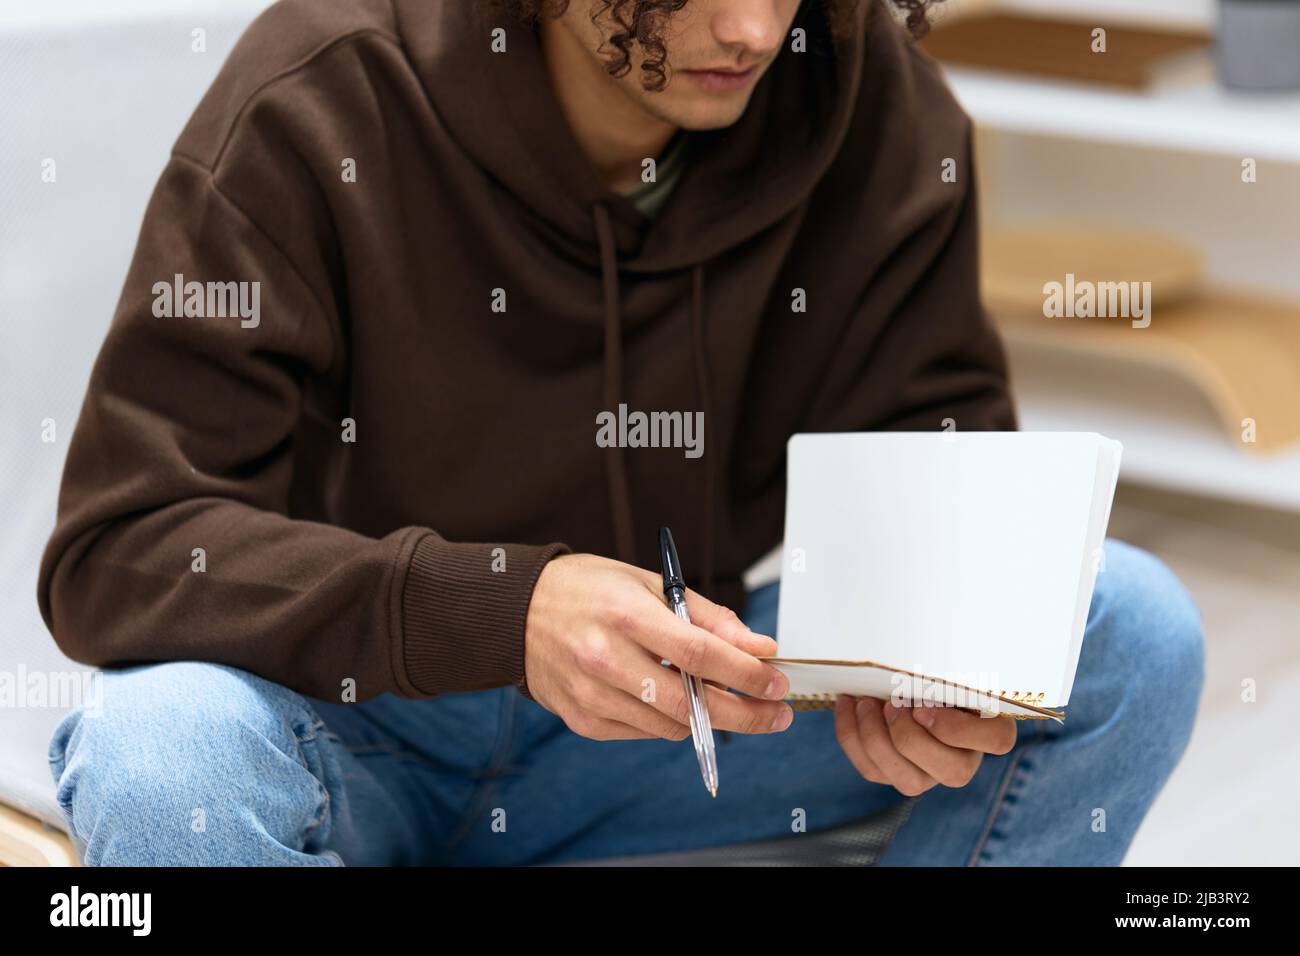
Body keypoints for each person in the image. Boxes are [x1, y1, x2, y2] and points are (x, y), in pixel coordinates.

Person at [39, 0, 1204, 865]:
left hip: (689, 720)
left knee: (1126, 627)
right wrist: (507, 608)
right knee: (157, 751)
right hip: (355, 726)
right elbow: (120, 547)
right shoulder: (318, 95)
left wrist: (922, 666)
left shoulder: (874, 102)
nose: (749, 28)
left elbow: (944, 474)